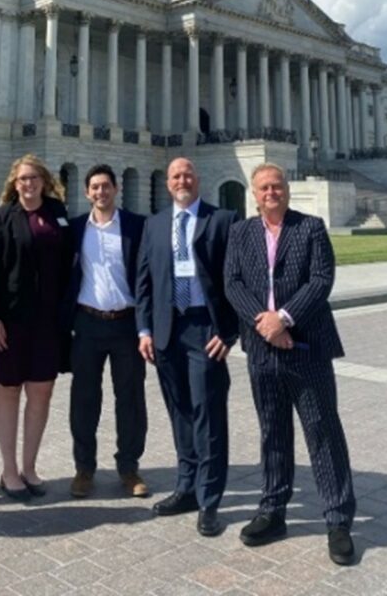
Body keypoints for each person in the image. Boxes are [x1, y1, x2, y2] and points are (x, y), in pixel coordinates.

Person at [224, 163, 356, 566]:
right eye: (264, 187)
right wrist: (265, 326)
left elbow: (320, 280)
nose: (271, 193)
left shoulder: (310, 227)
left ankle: (337, 519)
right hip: (263, 349)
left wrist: (283, 318)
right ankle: (273, 509)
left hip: (306, 347)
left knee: (322, 430)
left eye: (277, 186)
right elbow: (232, 283)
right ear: (254, 192)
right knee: (273, 431)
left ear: (287, 189)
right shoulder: (240, 232)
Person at [136, 157, 237, 537]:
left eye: (189, 174)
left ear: (199, 179)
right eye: (176, 175)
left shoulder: (222, 220)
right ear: (168, 183)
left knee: (208, 414)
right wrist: (144, 329)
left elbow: (236, 280)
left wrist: (228, 332)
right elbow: (143, 280)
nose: (183, 180)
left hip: (203, 328)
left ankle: (210, 499)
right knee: (179, 411)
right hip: (165, 330)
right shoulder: (155, 223)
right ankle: (187, 486)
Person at [0, 154, 74, 499]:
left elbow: (70, 264)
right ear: (14, 184)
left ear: (44, 181)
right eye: (23, 179)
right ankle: (8, 469)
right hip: (10, 320)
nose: (29, 184)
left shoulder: (58, 215)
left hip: (48, 320)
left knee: (41, 391)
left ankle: (29, 466)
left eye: (34, 178)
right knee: (8, 389)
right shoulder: (1, 218)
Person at [67, 163, 147, 499]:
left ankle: (128, 467)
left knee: (130, 399)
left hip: (126, 322)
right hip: (87, 322)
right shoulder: (73, 229)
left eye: (106, 186)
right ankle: (84, 468)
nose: (101, 192)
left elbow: (147, 278)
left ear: (116, 189)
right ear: (87, 193)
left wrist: (147, 328)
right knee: (84, 399)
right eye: (95, 187)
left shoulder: (135, 226)